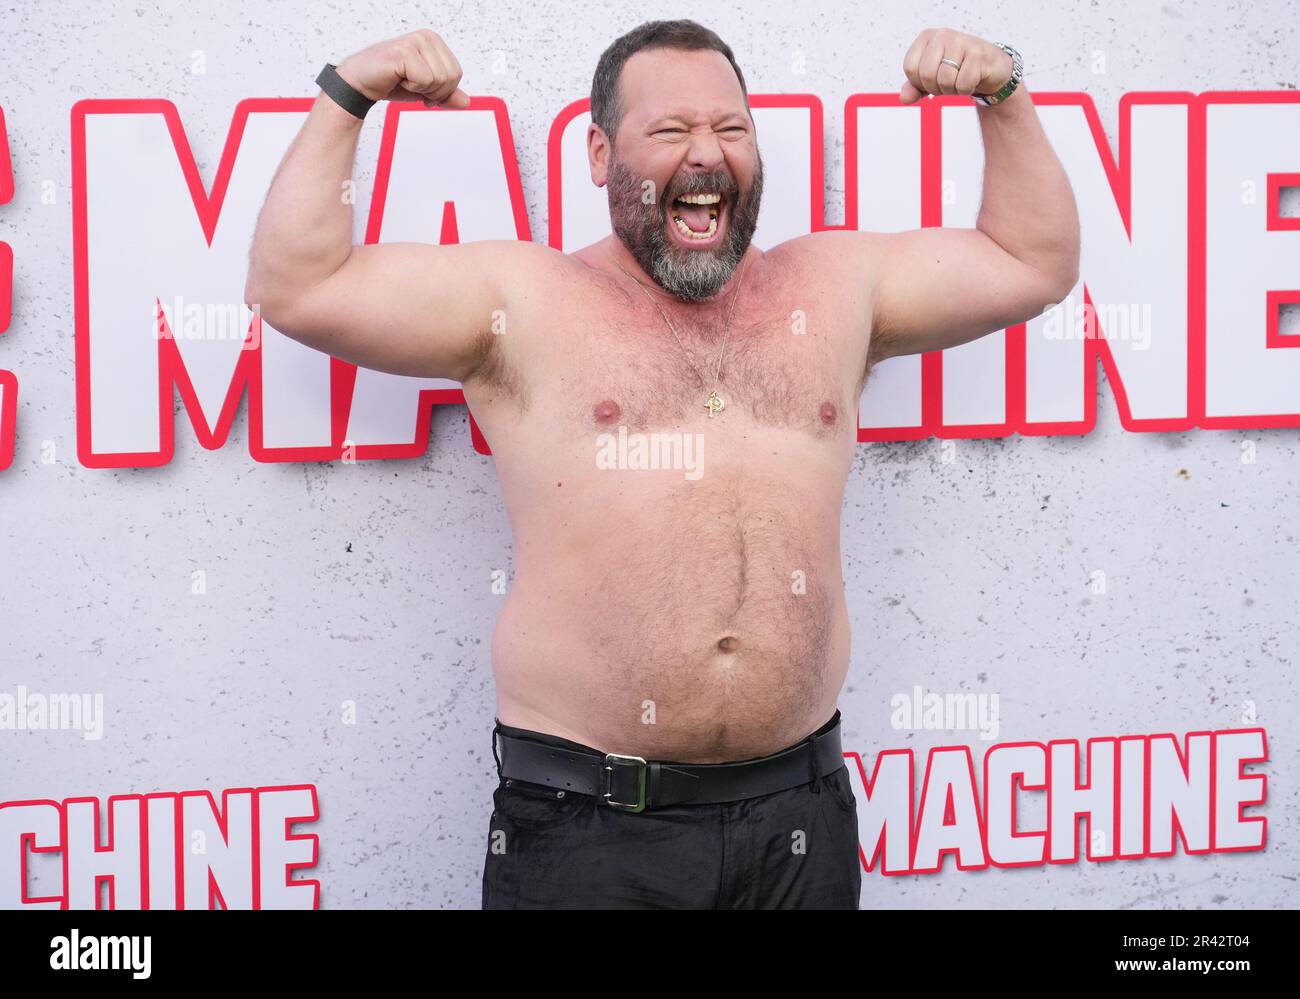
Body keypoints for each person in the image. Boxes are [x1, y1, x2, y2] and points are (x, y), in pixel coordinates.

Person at [244, 20, 1079, 909]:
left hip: (799, 820)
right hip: (589, 831)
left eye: (731, 129)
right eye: (671, 132)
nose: (707, 155)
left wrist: (1005, 94)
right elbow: (297, 285)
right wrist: (351, 90)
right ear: (601, 154)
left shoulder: (838, 289)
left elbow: (1031, 262)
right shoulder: (520, 303)